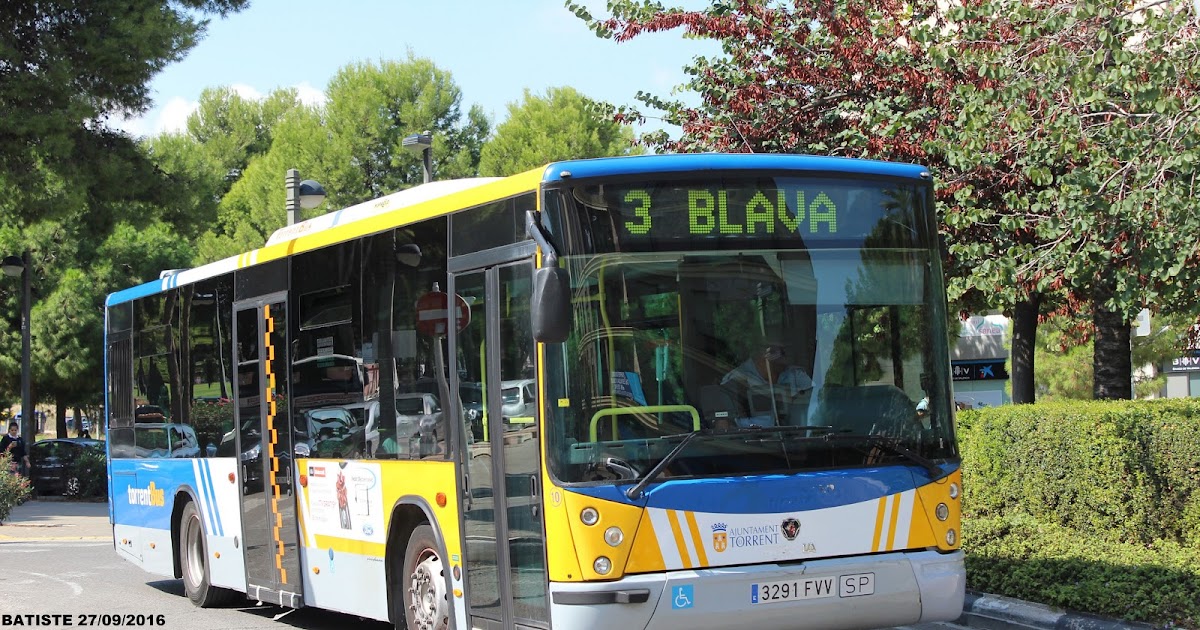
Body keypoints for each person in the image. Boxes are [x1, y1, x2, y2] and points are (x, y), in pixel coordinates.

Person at [719, 341, 813, 428]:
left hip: (799, 439)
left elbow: (816, 402)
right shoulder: (735, 380)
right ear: (760, 359)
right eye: (774, 355)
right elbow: (722, 423)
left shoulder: (795, 374)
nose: (783, 361)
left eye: (783, 353)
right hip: (752, 442)